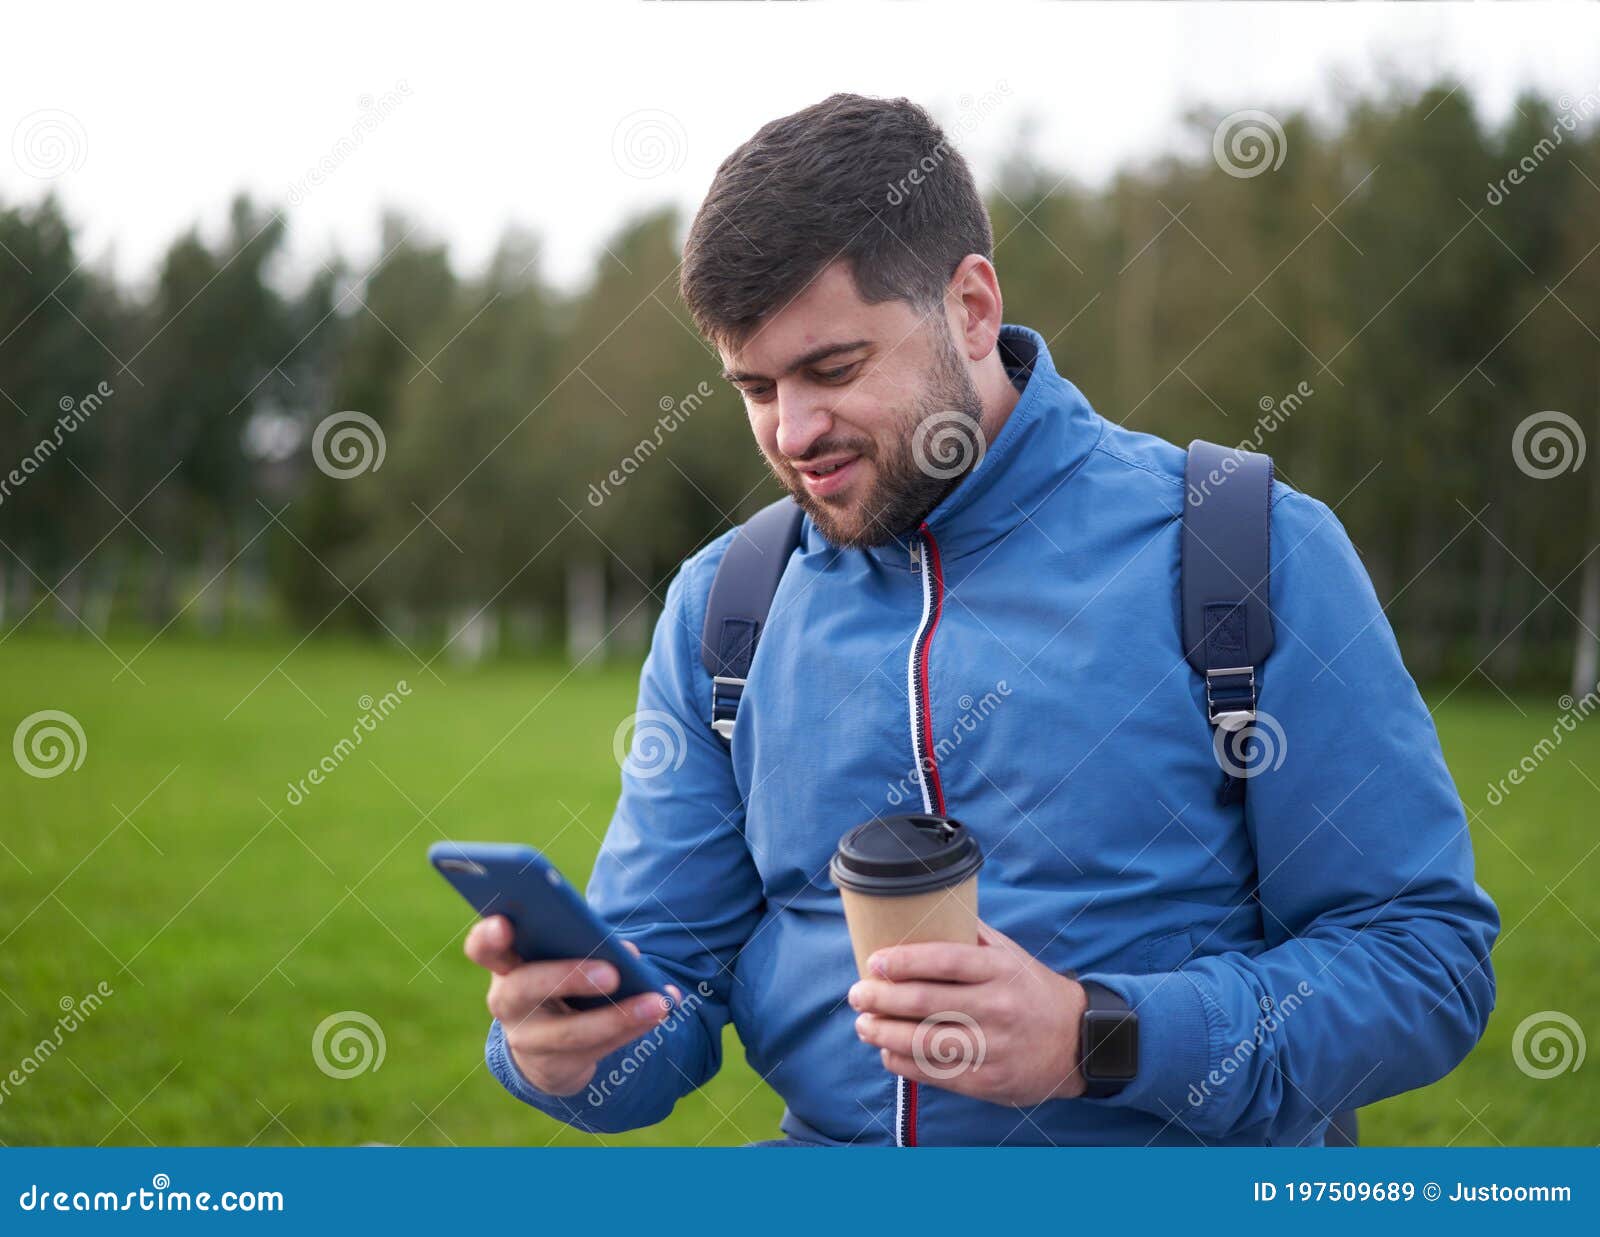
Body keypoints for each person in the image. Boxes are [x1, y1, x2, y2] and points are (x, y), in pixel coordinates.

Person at [464, 93, 1498, 1146]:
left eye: (833, 369)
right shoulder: (727, 602)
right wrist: (567, 1046)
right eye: (754, 387)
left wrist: (1095, 1036)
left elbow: (1425, 964)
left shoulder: (1241, 544)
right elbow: (661, 988)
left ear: (969, 306)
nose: (794, 431)